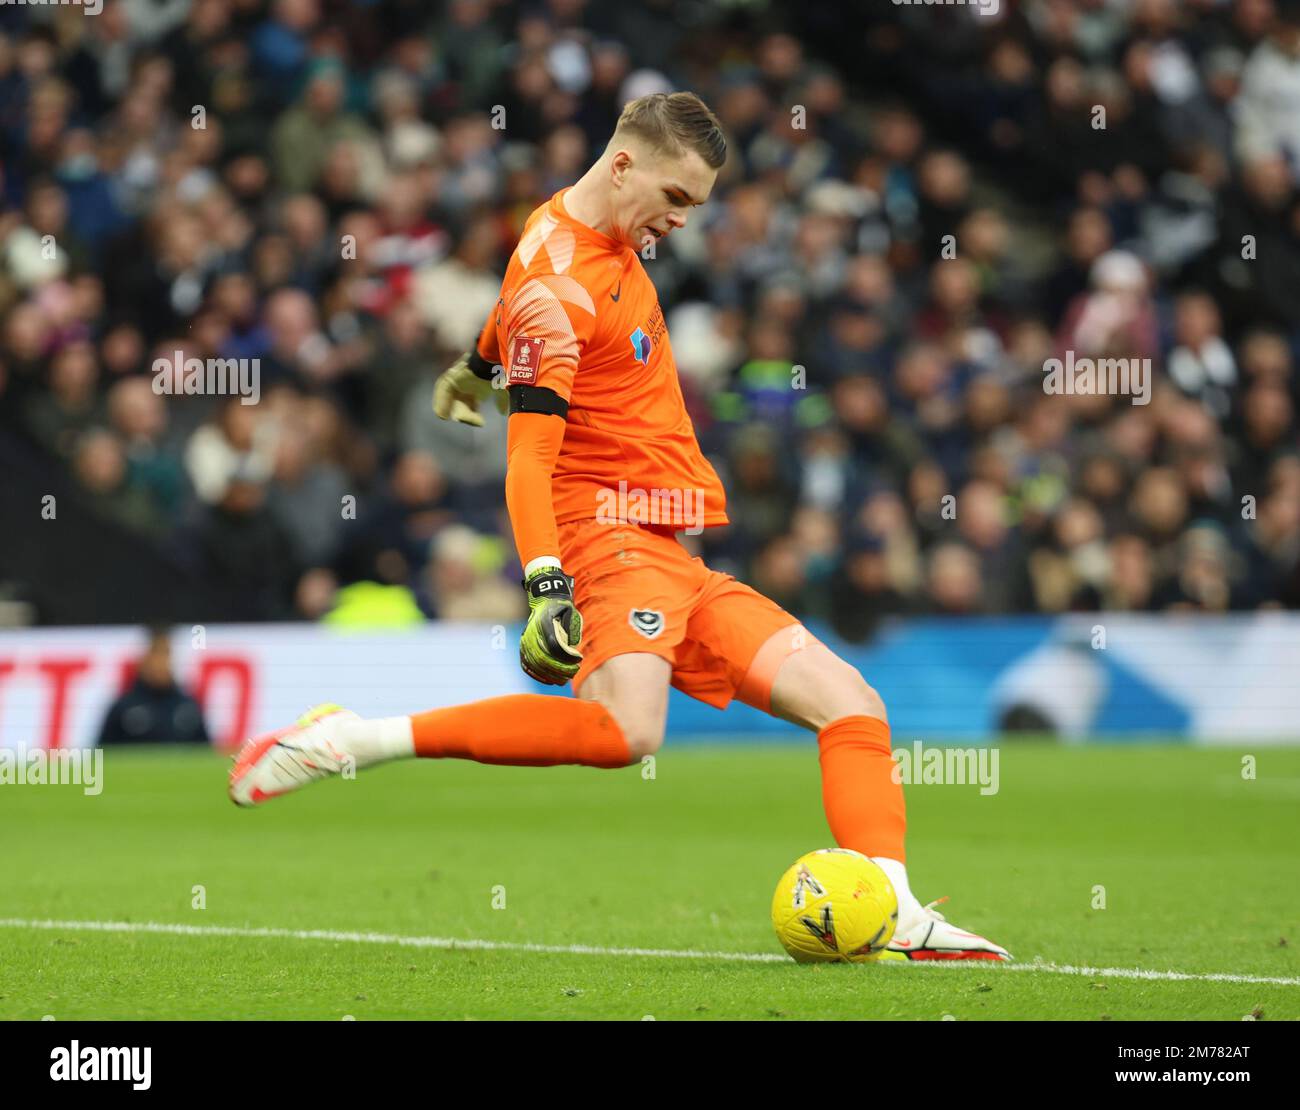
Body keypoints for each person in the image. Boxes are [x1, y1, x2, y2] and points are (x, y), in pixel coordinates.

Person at [230, 92, 1009, 961]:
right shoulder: (560, 294)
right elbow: (525, 460)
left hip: (671, 545)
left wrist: (476, 366)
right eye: (676, 200)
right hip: (608, 534)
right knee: (626, 733)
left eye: (696, 207)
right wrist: (546, 584)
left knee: (853, 705)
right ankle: (352, 740)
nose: (681, 223)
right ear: (625, 163)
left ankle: (893, 906)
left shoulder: (562, 231)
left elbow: (513, 296)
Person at [98, 627, 210, 745]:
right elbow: (104, 756)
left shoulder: (188, 706)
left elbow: (205, 755)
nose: (160, 661)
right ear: (143, 659)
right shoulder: (123, 707)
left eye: (166, 653)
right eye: (155, 653)